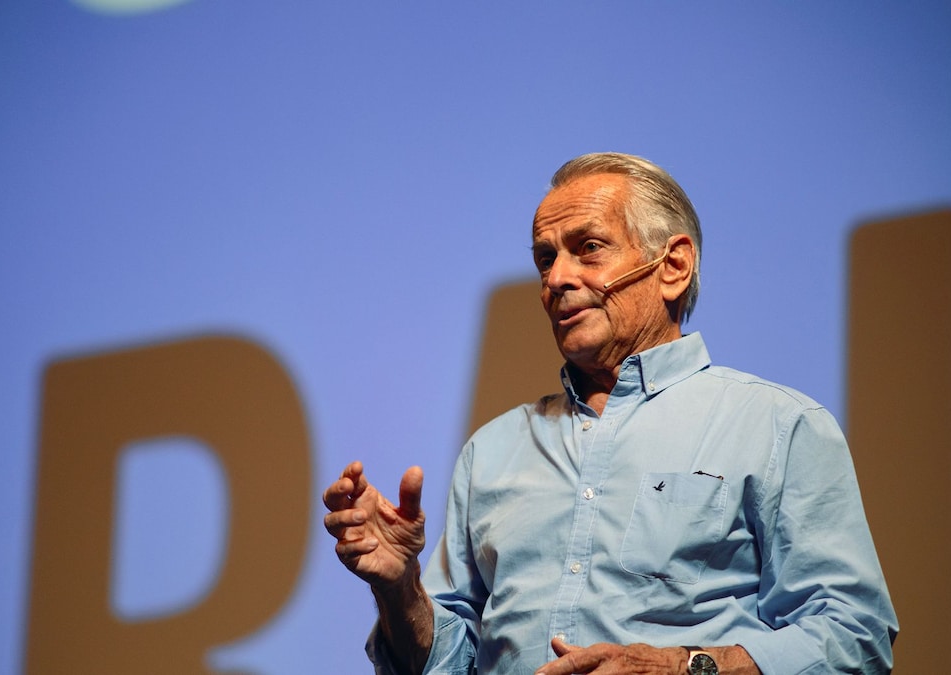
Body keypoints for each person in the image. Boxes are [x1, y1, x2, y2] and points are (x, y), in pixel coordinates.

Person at [323, 152, 898, 674]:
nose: (557, 279)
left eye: (588, 248)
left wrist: (679, 669)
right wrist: (400, 590)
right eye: (545, 259)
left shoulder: (778, 425)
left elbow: (856, 638)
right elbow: (446, 665)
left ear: (673, 266)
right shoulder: (492, 450)